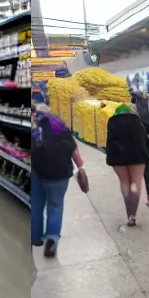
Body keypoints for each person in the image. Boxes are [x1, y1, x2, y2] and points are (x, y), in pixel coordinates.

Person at [30, 104, 86, 258]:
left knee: (36, 204)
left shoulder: (35, 130)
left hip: (39, 172)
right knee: (56, 205)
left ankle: (35, 238)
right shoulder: (62, 129)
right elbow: (75, 153)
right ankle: (52, 239)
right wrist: (81, 166)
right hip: (60, 174)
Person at [104, 102, 149, 225]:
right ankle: (133, 214)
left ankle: (128, 214)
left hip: (118, 157)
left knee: (124, 182)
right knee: (136, 183)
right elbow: (144, 139)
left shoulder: (112, 121)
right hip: (137, 156)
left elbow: (110, 141)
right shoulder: (137, 121)